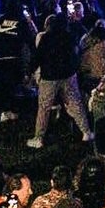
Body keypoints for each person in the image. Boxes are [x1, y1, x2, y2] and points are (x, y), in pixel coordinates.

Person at [28, 13, 94, 150]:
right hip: (68, 76)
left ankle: (39, 138)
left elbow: (38, 57)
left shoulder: (46, 38)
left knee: (44, 108)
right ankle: (86, 132)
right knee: (75, 103)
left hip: (49, 77)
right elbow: (76, 55)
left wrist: (30, 71)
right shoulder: (69, 37)